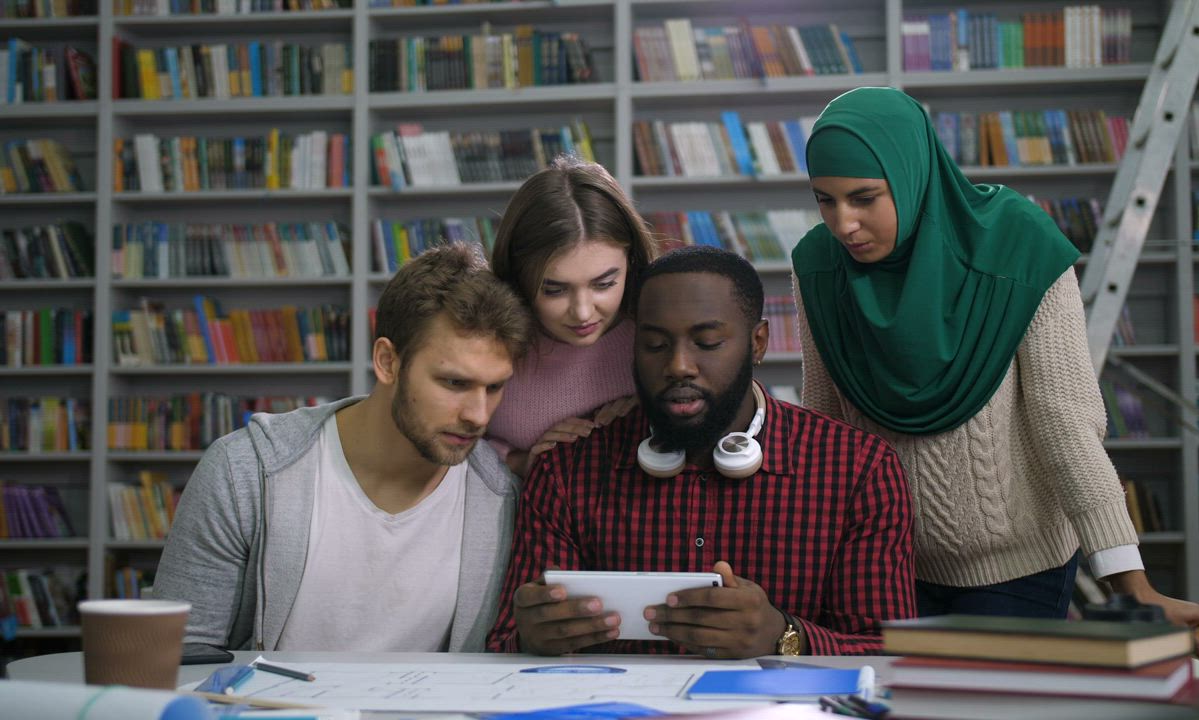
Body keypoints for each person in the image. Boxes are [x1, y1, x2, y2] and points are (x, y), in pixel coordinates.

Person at [791, 87, 1199, 644]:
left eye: (864, 198)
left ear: (912, 175)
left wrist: (1133, 586)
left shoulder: (1019, 247)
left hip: (1018, 568)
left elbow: (1065, 420)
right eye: (825, 201)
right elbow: (823, 423)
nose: (844, 224)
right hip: (881, 566)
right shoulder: (817, 268)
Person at [486, 245, 915, 658]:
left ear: (759, 342)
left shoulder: (858, 469)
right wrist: (533, 636)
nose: (678, 365)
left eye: (707, 342)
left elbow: (887, 652)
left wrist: (783, 635)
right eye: (654, 345)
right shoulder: (566, 471)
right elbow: (505, 639)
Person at [152, 243, 533, 652]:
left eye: (494, 387)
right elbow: (176, 657)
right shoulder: (246, 473)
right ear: (387, 362)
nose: (478, 415)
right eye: (454, 383)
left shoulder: (500, 500)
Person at [486, 156, 659, 478]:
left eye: (604, 284)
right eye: (554, 290)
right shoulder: (489, 338)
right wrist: (518, 462)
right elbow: (442, 439)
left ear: (633, 262)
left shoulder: (662, 331)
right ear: (519, 278)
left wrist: (656, 415)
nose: (582, 312)